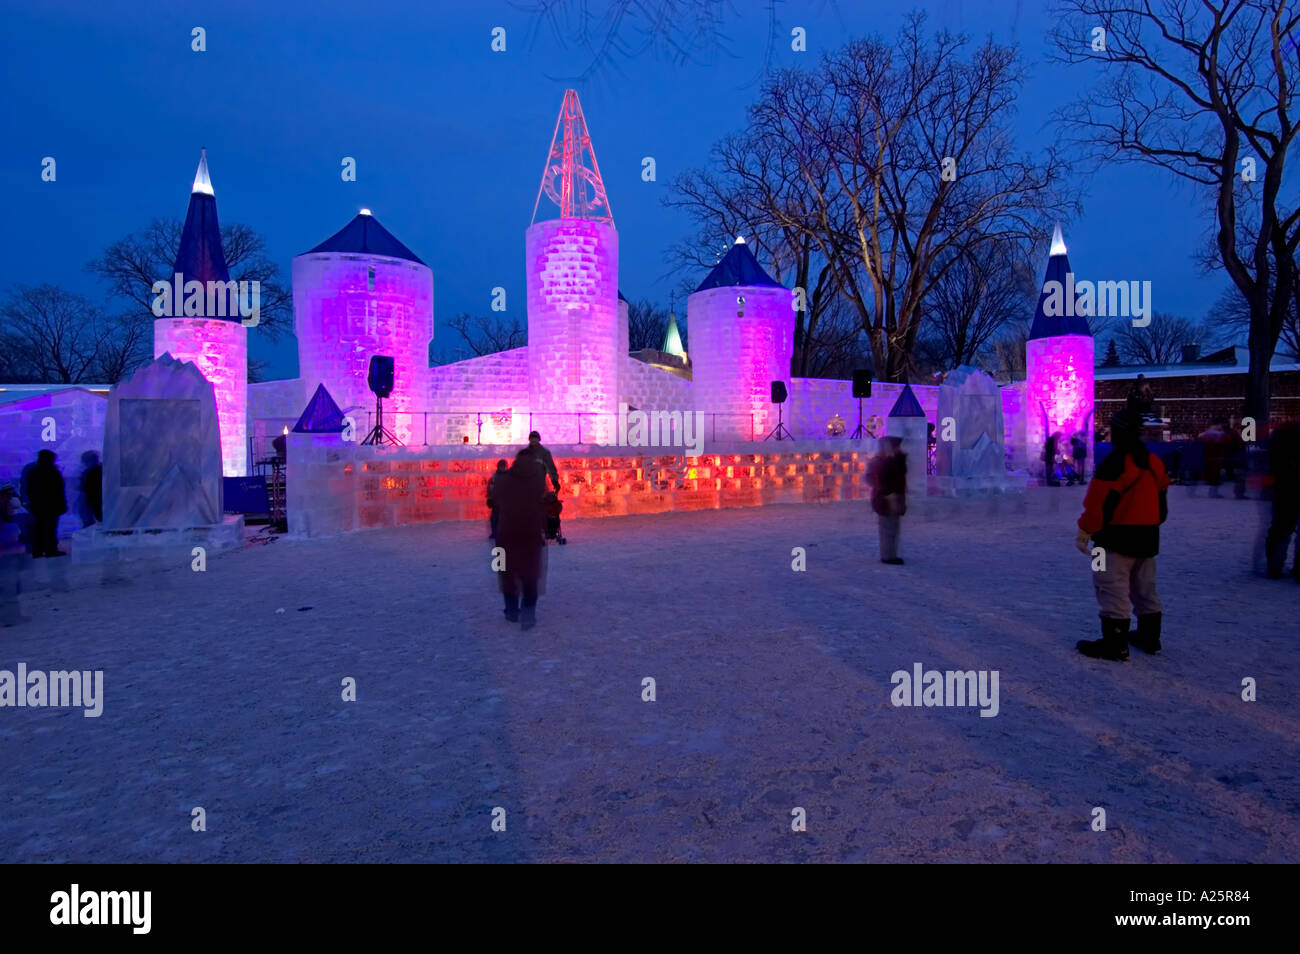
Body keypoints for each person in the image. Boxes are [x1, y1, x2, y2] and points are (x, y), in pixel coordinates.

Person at [1075, 409, 1170, 661]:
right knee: (1145, 589)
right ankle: (1150, 637)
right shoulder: (1154, 462)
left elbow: (1097, 503)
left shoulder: (1114, 462)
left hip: (1113, 540)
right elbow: (1162, 506)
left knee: (1111, 587)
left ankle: (1115, 644)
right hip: (1148, 538)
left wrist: (1086, 530)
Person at [493, 449, 548, 629]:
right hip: (530, 532)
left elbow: (495, 500)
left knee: (505, 571)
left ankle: (510, 610)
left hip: (505, 533)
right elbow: (545, 502)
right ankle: (528, 614)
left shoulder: (504, 479)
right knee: (530, 573)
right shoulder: (539, 481)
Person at [1264, 419, 1300, 581]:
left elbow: (1272, 460)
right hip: (1287, 482)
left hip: (1284, 485)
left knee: (1281, 526)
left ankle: (1275, 566)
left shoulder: (1281, 432)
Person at [867, 436, 907, 565]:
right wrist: (885, 491)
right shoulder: (881, 461)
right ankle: (888, 556)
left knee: (893, 528)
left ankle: (891, 554)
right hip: (886, 498)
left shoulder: (896, 459)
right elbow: (873, 478)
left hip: (894, 497)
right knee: (888, 528)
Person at [25, 450, 68, 558]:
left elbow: (29, 489)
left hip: (37, 505)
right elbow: (58, 490)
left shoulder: (33, 471)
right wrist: (62, 505)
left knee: (38, 528)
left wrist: (32, 502)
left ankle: (37, 551)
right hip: (52, 505)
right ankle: (51, 550)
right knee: (50, 528)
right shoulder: (53, 471)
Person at [0, 483, 29, 627]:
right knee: (9, 584)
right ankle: (11, 617)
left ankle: (7, 616)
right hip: (6, 550)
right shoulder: (6, 502)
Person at [78, 450, 103, 527]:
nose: (84, 463)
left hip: (95, 502)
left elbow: (86, 489)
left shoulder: (90, 473)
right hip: (95, 502)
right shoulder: (100, 470)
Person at [486, 459, 507, 540]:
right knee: (495, 518)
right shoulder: (494, 477)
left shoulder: (508, 476)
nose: (502, 468)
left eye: (503, 466)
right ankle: (494, 533)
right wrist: (489, 498)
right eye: (501, 466)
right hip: (496, 501)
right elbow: (490, 488)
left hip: (505, 501)